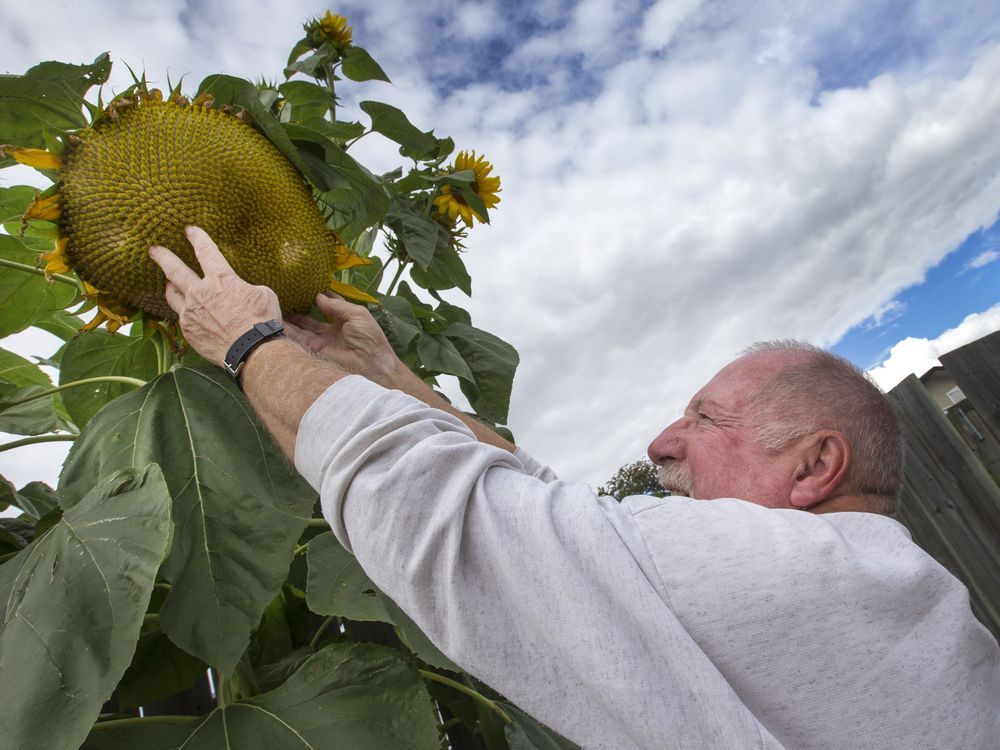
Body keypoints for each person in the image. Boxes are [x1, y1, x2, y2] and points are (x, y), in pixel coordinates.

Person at [150, 226, 1000, 750]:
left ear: (816, 467)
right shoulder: (898, 592)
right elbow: (570, 515)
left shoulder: (787, 571)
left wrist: (248, 339)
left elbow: (445, 514)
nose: (662, 443)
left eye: (705, 420)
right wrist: (392, 375)